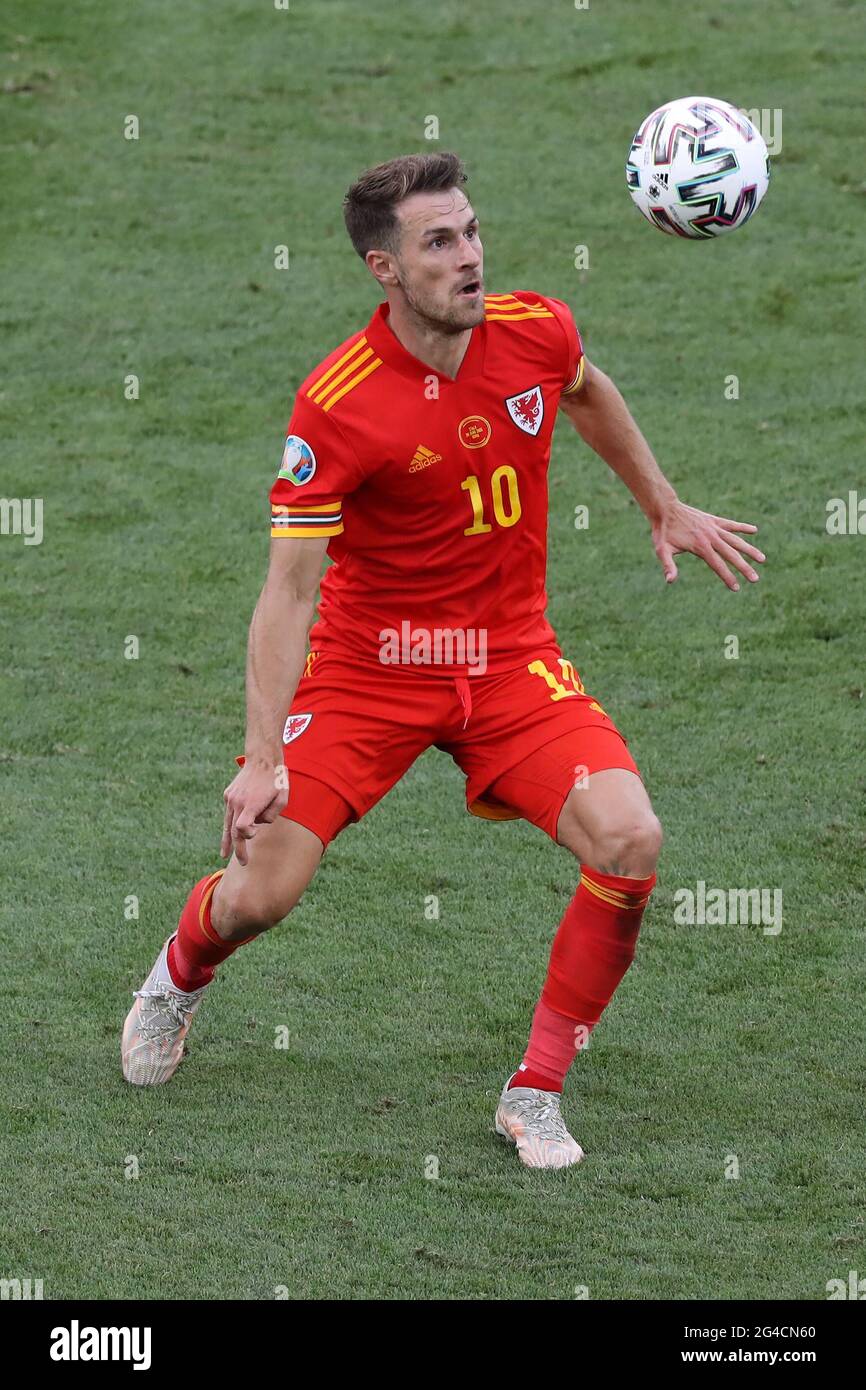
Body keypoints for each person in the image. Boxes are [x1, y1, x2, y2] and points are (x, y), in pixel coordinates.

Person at [122, 152, 763, 1169]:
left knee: (629, 838)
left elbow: (586, 390)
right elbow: (287, 592)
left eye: (469, 231)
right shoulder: (336, 404)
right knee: (261, 894)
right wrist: (258, 756)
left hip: (509, 662)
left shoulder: (534, 330)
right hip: (367, 672)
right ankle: (179, 973)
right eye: (438, 242)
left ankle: (535, 1088)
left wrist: (662, 503)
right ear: (384, 266)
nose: (469, 257)